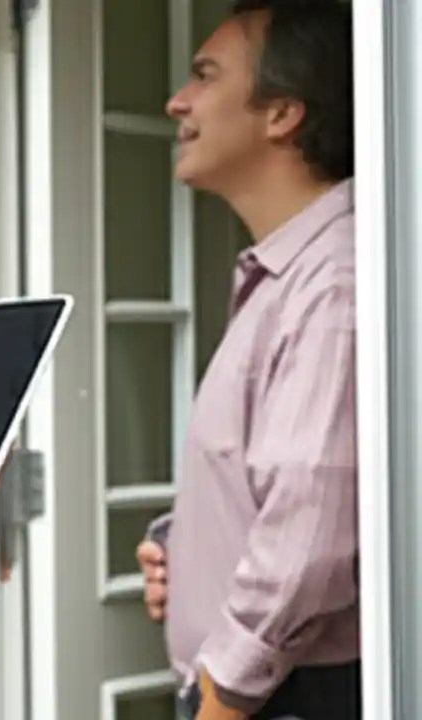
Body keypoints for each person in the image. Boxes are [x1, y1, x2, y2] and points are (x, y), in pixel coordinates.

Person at [134, 2, 357, 719]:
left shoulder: (336, 281)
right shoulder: (284, 276)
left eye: (204, 76)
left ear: (282, 113)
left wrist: (221, 697)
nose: (177, 102)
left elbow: (310, 540)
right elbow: (268, 485)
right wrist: (186, 552)